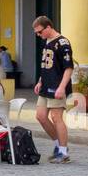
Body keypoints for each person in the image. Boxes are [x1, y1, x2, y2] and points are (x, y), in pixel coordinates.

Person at [33, 15, 73, 163]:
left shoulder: (63, 43)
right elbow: (47, 64)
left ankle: (63, 152)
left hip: (57, 85)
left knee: (56, 118)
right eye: (37, 33)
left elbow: (68, 68)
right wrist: (40, 81)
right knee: (40, 116)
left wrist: (62, 87)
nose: (39, 35)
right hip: (46, 84)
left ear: (48, 27)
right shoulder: (47, 41)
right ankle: (58, 144)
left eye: (40, 32)